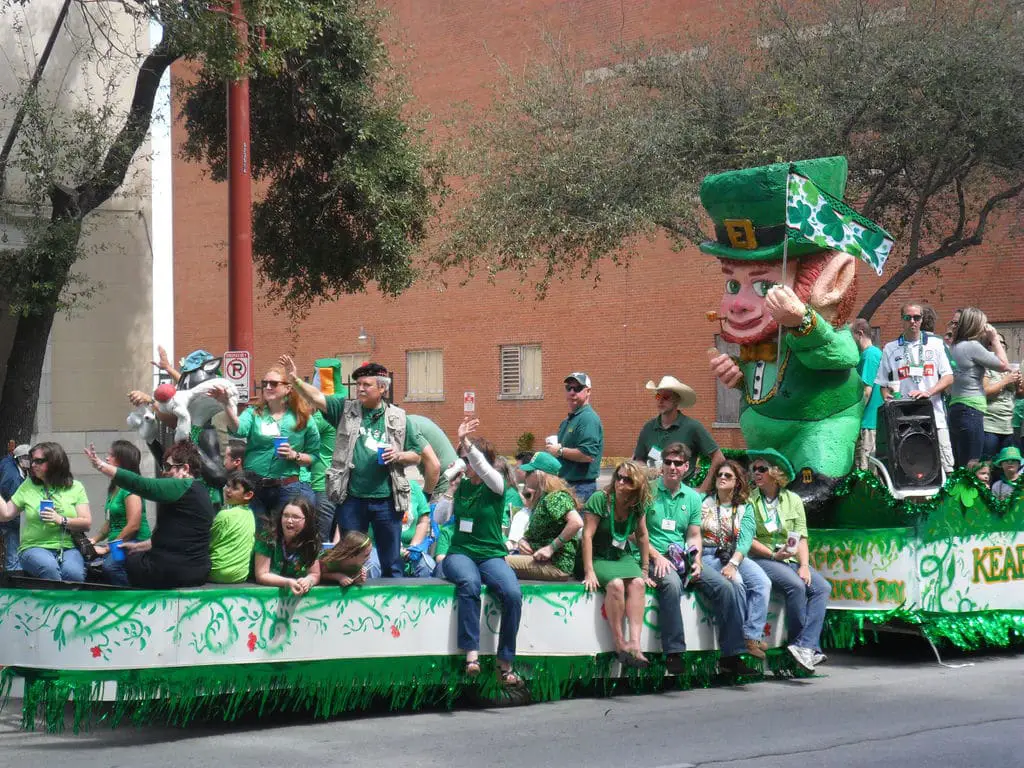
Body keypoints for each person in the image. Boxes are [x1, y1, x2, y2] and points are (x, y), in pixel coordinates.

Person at [704, 157, 870, 506]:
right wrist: (738, 380)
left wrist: (802, 321)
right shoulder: (759, 341)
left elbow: (843, 355)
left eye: (764, 286)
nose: (739, 304)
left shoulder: (820, 327)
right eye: (733, 286)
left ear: (828, 283)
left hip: (818, 429)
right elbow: (765, 382)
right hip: (764, 442)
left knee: (810, 497)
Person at [281, 356, 424, 578]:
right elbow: (318, 397)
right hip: (351, 498)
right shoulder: (346, 410)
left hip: (387, 500)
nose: (360, 389)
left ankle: (391, 605)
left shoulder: (400, 417)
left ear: (383, 388)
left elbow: (417, 455)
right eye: (358, 384)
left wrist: (399, 455)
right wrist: (295, 380)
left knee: (392, 561)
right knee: (349, 558)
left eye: (366, 385)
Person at [643, 442, 756, 676]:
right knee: (672, 584)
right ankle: (674, 653)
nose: (672, 467)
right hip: (653, 555)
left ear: (686, 467)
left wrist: (696, 560)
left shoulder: (693, 498)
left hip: (682, 556)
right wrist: (656, 556)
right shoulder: (648, 491)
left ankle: (731, 656)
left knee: (726, 587)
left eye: (678, 463)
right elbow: (637, 534)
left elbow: (694, 535)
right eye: (668, 462)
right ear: (662, 465)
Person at [436, 418, 523, 685]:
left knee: (512, 594)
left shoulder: (495, 485)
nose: (464, 463)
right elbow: (440, 518)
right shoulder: (461, 487)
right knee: (470, 583)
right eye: (462, 458)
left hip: (490, 554)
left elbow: (484, 469)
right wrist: (450, 490)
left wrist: (466, 443)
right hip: (460, 552)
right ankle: (471, 655)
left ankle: (505, 662)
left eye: (468, 458)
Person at [84, 440, 215, 588]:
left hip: (174, 570)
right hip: (196, 570)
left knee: (118, 565)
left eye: (168, 467)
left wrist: (100, 465)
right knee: (130, 557)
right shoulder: (200, 490)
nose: (164, 472)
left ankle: (131, 604)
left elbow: (140, 484)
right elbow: (176, 539)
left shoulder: (184, 485)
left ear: (185, 469)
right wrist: (138, 547)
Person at [746, 449, 830, 673]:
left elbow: (801, 536)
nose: (756, 473)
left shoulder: (793, 500)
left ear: (775, 472)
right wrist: (773, 555)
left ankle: (805, 646)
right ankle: (802, 644)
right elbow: (749, 540)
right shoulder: (749, 501)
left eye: (762, 469)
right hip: (763, 557)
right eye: (754, 469)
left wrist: (804, 566)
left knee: (821, 587)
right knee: (795, 585)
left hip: (789, 558)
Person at [213, 364, 320, 519]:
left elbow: (314, 455)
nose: (268, 387)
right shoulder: (254, 413)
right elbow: (238, 429)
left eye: (274, 383)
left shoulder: (302, 418)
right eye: (265, 384)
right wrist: (226, 404)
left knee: (284, 535)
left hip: (287, 487)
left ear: (288, 388)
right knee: (256, 535)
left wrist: (294, 455)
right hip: (254, 488)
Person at [581, 460, 655, 668]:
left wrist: (645, 569)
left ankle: (635, 644)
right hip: (598, 555)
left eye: (627, 479)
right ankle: (619, 643)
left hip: (621, 555)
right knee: (616, 585)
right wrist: (589, 572)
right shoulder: (601, 500)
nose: (621, 482)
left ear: (637, 484)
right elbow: (586, 536)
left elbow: (642, 536)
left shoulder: (637, 504)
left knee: (639, 584)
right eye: (619, 477)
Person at [699, 459, 771, 659]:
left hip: (734, 554)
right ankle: (739, 638)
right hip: (708, 553)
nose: (722, 478)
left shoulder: (744, 508)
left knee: (762, 582)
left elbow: (746, 539)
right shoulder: (703, 502)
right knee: (736, 582)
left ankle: (751, 636)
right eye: (720, 475)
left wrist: (733, 563)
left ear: (737, 482)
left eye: (727, 476)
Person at [876, 301, 955, 474]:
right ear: (902, 320)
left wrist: (928, 392)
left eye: (917, 317)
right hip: (903, 419)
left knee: (945, 467)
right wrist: (887, 397)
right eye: (908, 317)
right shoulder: (891, 348)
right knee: (910, 467)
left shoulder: (935, 345)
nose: (913, 321)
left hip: (935, 415)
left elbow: (948, 377)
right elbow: (882, 383)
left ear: (921, 320)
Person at [0, 442, 91, 582]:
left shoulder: (75, 487)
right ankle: (54, 604)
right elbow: (6, 514)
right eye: (32, 461)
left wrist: (61, 519)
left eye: (39, 461)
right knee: (49, 569)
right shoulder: (28, 485)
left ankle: (67, 604)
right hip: (34, 547)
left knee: (74, 575)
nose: (33, 465)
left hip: (68, 548)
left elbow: (86, 522)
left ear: (55, 462)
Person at [633, 376, 725, 492]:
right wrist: (647, 470)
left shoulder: (692, 427)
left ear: (677, 400)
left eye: (666, 397)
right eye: (657, 396)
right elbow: (638, 459)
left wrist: (702, 490)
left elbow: (719, 458)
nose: (660, 401)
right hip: (652, 496)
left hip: (682, 497)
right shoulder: (648, 428)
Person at [505, 452, 582, 581]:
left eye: (529, 473)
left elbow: (576, 522)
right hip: (541, 561)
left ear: (539, 474)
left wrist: (551, 548)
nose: (526, 477)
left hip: (555, 565)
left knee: (496, 563)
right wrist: (523, 540)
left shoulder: (555, 497)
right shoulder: (544, 497)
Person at [948, 308, 1010, 466]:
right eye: (983, 324)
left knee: (960, 466)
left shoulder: (955, 346)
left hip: (956, 408)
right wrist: (995, 339)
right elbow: (1004, 365)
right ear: (975, 325)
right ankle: (970, 492)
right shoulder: (972, 346)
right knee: (972, 465)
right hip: (971, 410)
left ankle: (957, 491)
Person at [90, 441, 151, 583]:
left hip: (134, 540)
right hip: (118, 542)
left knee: (111, 567)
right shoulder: (115, 487)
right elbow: (109, 521)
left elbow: (133, 525)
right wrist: (94, 540)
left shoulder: (131, 488)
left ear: (122, 461)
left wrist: (107, 548)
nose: (106, 458)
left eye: (111, 455)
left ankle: (131, 600)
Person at [545, 372, 603, 503]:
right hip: (566, 484)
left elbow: (587, 455)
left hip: (581, 488)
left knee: (578, 524)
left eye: (577, 388)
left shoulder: (588, 418)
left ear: (588, 391)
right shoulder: (569, 420)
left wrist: (559, 451)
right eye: (568, 388)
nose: (572, 392)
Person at [254, 497, 321, 594]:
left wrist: (308, 581)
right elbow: (261, 575)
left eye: (295, 517)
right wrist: (287, 582)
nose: (289, 520)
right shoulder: (267, 538)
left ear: (307, 521)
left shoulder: (310, 543)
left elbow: (314, 574)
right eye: (285, 515)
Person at [209, 471, 258, 584]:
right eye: (228, 486)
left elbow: (209, 543)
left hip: (216, 573)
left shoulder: (225, 515)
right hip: (240, 576)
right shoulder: (250, 514)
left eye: (235, 488)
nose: (228, 490)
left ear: (248, 495)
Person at [982, 333, 1021, 458]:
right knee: (988, 465)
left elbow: (1019, 395)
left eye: (1001, 342)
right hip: (990, 425)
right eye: (994, 342)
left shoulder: (1010, 368)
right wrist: (1005, 381)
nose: (998, 345)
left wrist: (1018, 383)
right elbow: (984, 392)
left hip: (1009, 425)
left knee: (1009, 464)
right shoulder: (985, 366)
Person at [851, 318, 883, 471]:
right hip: (868, 422)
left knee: (867, 470)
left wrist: (855, 415)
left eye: (851, 337)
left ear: (859, 334)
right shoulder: (872, 353)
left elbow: (866, 390)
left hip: (868, 422)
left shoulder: (870, 355)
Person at [408, 414, 459, 499]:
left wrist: (425, 496)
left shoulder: (408, 427)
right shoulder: (414, 421)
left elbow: (434, 466)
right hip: (452, 479)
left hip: (444, 484)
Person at [0, 444, 30, 571]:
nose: (31, 461)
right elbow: (14, 503)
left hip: (6, 517)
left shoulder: (8, 463)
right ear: (20, 458)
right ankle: (12, 578)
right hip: (9, 520)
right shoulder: (13, 478)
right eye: (28, 457)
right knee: (13, 554)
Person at [399, 481, 436, 578]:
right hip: (381, 548)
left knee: (427, 566)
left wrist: (413, 547)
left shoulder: (413, 487)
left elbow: (423, 520)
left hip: (411, 548)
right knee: (373, 565)